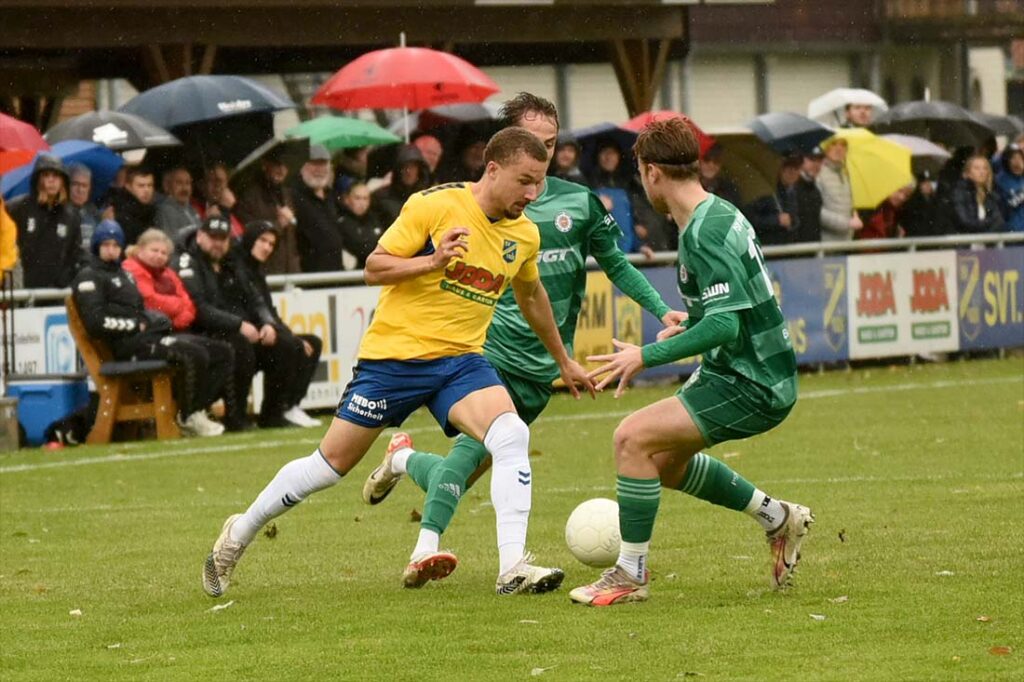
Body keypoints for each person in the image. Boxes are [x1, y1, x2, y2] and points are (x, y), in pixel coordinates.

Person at [201, 126, 595, 599]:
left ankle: (512, 566)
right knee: (330, 467)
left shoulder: (524, 234)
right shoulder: (434, 206)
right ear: (493, 170)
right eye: (524, 181)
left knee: (511, 434)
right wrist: (432, 262)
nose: (533, 194)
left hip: (461, 362)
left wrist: (564, 360)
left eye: (540, 182)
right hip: (394, 360)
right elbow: (374, 267)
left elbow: (531, 294)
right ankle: (238, 534)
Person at [361, 92, 685, 585]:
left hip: (540, 366)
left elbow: (616, 262)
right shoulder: (486, 202)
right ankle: (431, 551)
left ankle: (402, 458)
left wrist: (662, 309)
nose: (543, 153)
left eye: (551, 144)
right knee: (470, 459)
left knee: (464, 472)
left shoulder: (578, 202)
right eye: (533, 142)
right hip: (488, 352)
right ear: (505, 147)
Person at [567, 118, 813, 606]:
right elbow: (725, 312)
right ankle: (777, 517)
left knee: (631, 439)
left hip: (753, 380)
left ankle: (630, 574)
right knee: (657, 462)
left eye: (640, 171)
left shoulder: (703, 230)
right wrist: (693, 318)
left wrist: (645, 356)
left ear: (652, 172)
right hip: (739, 369)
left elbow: (726, 328)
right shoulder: (715, 214)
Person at [74, 221, 225, 437]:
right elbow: (95, 323)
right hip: (125, 346)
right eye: (106, 244)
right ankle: (188, 416)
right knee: (195, 353)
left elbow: (138, 309)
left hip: (145, 338)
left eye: (116, 245)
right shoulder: (89, 277)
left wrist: (153, 320)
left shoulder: (123, 274)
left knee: (219, 350)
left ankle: (198, 409)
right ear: (96, 246)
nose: (111, 250)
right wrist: (135, 325)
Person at [174, 216, 259, 431]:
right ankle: (226, 415)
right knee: (237, 347)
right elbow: (200, 309)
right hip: (194, 330)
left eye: (223, 238)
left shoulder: (226, 263)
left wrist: (259, 324)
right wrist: (238, 324)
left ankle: (254, 413)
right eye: (213, 237)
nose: (218, 243)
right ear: (200, 236)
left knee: (257, 347)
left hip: (215, 328)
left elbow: (243, 299)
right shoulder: (187, 262)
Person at [234, 221, 323, 428]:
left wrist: (290, 334)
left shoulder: (256, 272)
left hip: (263, 331)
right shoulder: (237, 268)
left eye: (271, 244)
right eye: (262, 240)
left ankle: (290, 406)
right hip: (246, 335)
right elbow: (250, 308)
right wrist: (284, 335)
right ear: (250, 239)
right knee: (288, 346)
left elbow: (269, 311)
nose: (267, 247)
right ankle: (272, 414)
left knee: (311, 343)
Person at [7, 153, 84, 288]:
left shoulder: (71, 215)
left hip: (54, 293)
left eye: (55, 176)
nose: (51, 180)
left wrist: (63, 280)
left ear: (63, 180)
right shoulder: (18, 207)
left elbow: (75, 255)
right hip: (21, 290)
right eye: (46, 175)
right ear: (38, 179)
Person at [235, 149, 300, 274]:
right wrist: (278, 224)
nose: (281, 170)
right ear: (265, 165)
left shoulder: (287, 194)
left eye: (285, 165)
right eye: (277, 164)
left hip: (290, 273)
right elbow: (248, 234)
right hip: (264, 272)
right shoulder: (250, 196)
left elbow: (292, 242)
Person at [293, 145, 344, 272]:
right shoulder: (293, 196)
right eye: (314, 163)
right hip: (308, 275)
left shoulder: (332, 196)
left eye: (323, 164)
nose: (319, 169)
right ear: (302, 165)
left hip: (335, 272)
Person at [744, 153, 802, 246]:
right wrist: (776, 220)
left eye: (796, 168)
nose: (792, 173)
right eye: (789, 168)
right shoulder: (765, 192)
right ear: (781, 169)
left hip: (788, 248)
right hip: (767, 247)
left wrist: (792, 221)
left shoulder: (794, 192)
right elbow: (750, 218)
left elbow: (796, 218)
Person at [372, 145, 431, 226]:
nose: (408, 172)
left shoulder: (428, 198)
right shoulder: (380, 198)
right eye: (405, 167)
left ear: (419, 170)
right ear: (398, 170)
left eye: (412, 167)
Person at [817, 138, 862, 241]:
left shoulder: (845, 174)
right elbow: (816, 211)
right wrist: (847, 223)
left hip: (845, 242)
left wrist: (854, 213)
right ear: (826, 147)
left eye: (843, 145)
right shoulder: (818, 173)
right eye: (834, 144)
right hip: (825, 243)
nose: (839, 149)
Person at [105, 166, 158, 246]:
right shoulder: (121, 211)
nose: (146, 190)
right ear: (128, 186)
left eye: (150, 185)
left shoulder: (149, 210)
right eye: (141, 186)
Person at [951, 154, 1004, 233]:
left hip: (988, 242)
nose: (981, 172)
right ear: (967, 173)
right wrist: (988, 224)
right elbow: (964, 221)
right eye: (977, 168)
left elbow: (998, 221)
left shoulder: (992, 196)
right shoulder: (959, 193)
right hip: (966, 242)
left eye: (985, 168)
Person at [337, 182, 385, 269]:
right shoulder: (342, 222)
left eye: (365, 198)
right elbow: (360, 248)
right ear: (347, 199)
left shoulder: (375, 219)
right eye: (357, 198)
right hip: (354, 275)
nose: (362, 203)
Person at [193, 162, 244, 237]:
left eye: (220, 181)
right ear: (202, 185)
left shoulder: (237, 210)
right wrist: (224, 210)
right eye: (211, 181)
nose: (216, 186)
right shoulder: (195, 210)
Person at [901, 170, 952, 237]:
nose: (928, 185)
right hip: (918, 238)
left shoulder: (937, 201)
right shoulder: (913, 203)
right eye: (924, 183)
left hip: (934, 238)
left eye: (929, 182)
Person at [155, 166, 201, 239]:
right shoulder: (165, 210)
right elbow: (169, 240)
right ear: (167, 186)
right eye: (179, 183)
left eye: (188, 183)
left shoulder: (191, 209)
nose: (185, 188)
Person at [67, 163, 102, 249]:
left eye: (84, 185)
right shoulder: (58, 211)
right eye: (75, 184)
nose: (80, 190)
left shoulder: (94, 212)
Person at [793, 147, 824, 243]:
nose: (816, 164)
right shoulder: (793, 187)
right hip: (795, 250)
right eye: (812, 159)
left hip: (812, 247)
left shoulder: (815, 190)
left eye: (819, 161)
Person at [698, 143, 742, 207]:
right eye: (706, 159)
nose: (711, 165)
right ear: (698, 161)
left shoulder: (729, 189)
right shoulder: (687, 185)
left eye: (716, 161)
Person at [995, 143, 1023, 232]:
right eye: (1013, 158)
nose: (1017, 161)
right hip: (1014, 230)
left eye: (1019, 158)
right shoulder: (1000, 180)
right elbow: (1004, 208)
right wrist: (1021, 195)